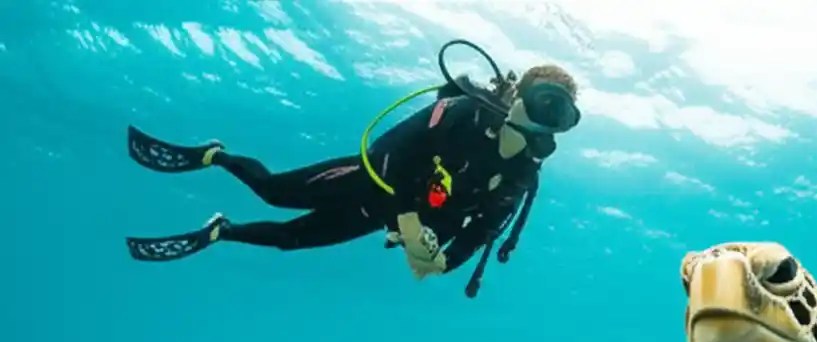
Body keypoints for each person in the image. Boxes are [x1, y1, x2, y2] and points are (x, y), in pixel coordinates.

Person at [124, 43, 580, 297]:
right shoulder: (465, 111)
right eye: (544, 101)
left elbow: (482, 231)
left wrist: (440, 262)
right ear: (518, 91)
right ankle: (215, 155)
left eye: (560, 115)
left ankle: (221, 230)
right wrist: (405, 216)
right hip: (368, 178)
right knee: (273, 193)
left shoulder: (522, 176)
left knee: (291, 240)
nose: (546, 118)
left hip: (379, 217)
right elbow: (389, 149)